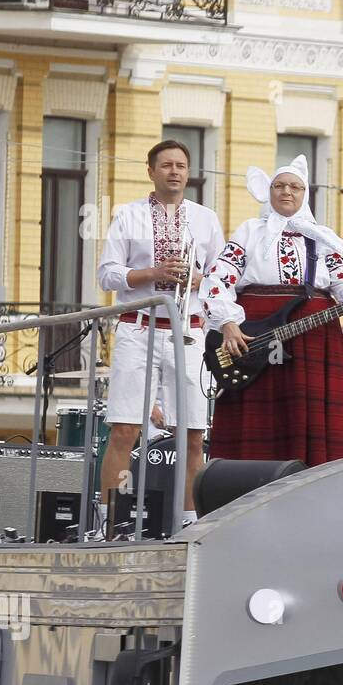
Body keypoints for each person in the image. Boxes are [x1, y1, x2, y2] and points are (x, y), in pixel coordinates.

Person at [199, 156, 343, 465]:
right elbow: (216, 279)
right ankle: (244, 494)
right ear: (269, 191)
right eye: (279, 185)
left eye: (295, 186)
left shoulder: (323, 237)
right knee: (258, 421)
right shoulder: (249, 231)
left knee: (310, 420)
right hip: (254, 336)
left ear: (305, 194)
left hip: (314, 338)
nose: (286, 191)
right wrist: (228, 323)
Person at [96, 139, 223, 533]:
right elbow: (106, 274)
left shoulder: (206, 219)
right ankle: (109, 522)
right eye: (166, 164)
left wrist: (199, 277)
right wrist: (151, 273)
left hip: (190, 332)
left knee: (194, 436)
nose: (175, 171)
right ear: (151, 171)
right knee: (124, 430)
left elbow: (223, 278)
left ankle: (189, 525)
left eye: (181, 165)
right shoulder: (129, 216)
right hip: (139, 329)